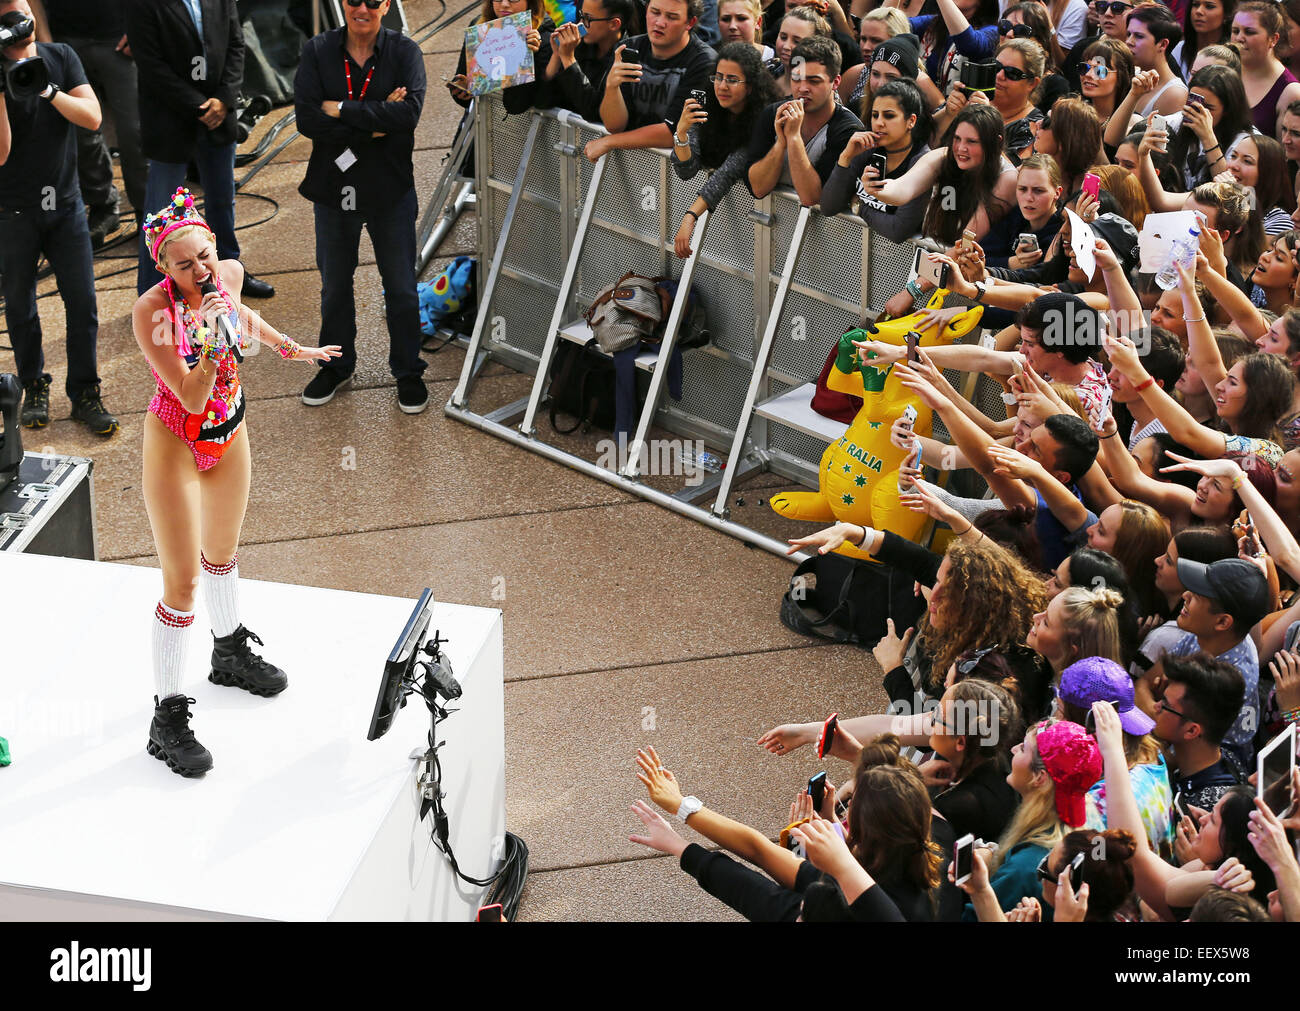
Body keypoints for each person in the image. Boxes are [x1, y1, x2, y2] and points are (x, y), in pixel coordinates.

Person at [132, 188, 341, 776]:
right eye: (184, 264)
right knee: (181, 582)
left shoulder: (224, 276)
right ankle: (166, 717)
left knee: (222, 552)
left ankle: (228, 652)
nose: (199, 270)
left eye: (204, 255)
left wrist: (291, 348)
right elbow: (193, 393)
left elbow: (241, 313)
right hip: (177, 433)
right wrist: (202, 341)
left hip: (230, 426)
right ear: (162, 268)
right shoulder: (152, 312)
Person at [630, 738, 943, 921]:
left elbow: (758, 895)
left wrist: (678, 844)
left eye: (848, 815)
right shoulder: (927, 874)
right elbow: (759, 850)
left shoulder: (831, 904)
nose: (840, 818)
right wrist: (681, 806)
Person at [293, 0, 430, 414]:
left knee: (402, 288)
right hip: (333, 190)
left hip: (390, 190)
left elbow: (408, 115)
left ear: (387, 5)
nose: (363, 8)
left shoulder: (405, 52)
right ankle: (335, 367)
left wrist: (343, 109)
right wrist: (374, 122)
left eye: (374, 0)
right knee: (335, 286)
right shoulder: (317, 50)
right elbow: (306, 119)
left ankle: (408, 371)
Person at [0, 0, 118, 436]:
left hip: (65, 206)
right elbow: (1, 153)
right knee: (19, 304)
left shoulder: (61, 57)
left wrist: (48, 89)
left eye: (24, 14)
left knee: (83, 303)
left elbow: (92, 118)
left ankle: (85, 391)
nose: (21, 25)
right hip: (12, 211)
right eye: (10, 21)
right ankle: (33, 384)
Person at [128, 0, 275, 299]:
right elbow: (151, 64)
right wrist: (198, 106)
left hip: (218, 117)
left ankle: (231, 274)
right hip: (170, 120)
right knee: (159, 215)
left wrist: (224, 98)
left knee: (223, 202)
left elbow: (236, 45)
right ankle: (153, 294)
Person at [29, 0, 146, 241]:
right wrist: (47, 44)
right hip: (65, 38)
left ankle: (148, 213)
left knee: (134, 132)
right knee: (81, 134)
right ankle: (103, 205)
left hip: (118, 37)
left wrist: (139, 26)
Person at [968, 718, 1103, 920]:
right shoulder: (1090, 827)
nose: (1013, 749)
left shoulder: (1025, 868)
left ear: (1039, 778)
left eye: (1023, 748)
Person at [671, 41, 778, 256]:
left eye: (732, 80)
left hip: (762, 232)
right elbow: (686, 170)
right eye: (718, 77)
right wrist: (681, 134)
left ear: (750, 86)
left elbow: (727, 173)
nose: (722, 86)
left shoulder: (763, 118)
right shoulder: (706, 104)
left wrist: (690, 215)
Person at [867, 102, 1017, 243]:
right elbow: (904, 188)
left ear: (996, 142)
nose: (961, 148)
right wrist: (877, 186)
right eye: (957, 139)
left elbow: (968, 241)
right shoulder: (944, 156)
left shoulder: (1008, 178)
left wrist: (931, 267)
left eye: (971, 141)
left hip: (977, 263)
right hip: (945, 253)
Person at [588, 0, 717, 158]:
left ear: (690, 23)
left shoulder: (705, 62)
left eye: (671, 17)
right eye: (655, 12)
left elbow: (674, 133)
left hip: (681, 172)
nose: (660, 23)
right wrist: (612, 88)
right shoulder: (628, 48)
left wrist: (610, 142)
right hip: (629, 163)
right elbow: (615, 126)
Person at [746, 35, 862, 207]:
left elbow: (811, 197)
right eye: (796, 79)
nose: (802, 88)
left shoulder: (848, 130)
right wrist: (780, 144)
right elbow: (758, 188)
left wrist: (793, 138)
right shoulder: (773, 114)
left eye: (814, 81)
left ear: (835, 82)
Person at [821, 77, 932, 241]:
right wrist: (845, 157)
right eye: (875, 115)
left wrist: (859, 205)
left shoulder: (921, 161)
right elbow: (828, 207)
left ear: (911, 121)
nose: (879, 123)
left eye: (889, 116)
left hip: (894, 263)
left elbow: (897, 230)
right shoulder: (867, 147)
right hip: (849, 254)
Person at [1156, 651, 1247, 810]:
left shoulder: (1206, 810)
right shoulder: (1224, 756)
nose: (1155, 707)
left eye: (1164, 705)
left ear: (1191, 730)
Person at [447, 0, 554, 114]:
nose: (504, 4)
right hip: (485, 121)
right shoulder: (479, 27)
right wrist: (462, 90)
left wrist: (528, 56)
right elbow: (465, 100)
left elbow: (517, 105)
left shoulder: (544, 37)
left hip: (525, 126)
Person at [543, 0, 633, 121]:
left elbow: (593, 112)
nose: (580, 24)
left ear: (614, 24)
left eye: (587, 18)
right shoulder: (578, 46)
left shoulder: (628, 60)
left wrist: (569, 60)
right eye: (580, 16)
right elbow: (542, 101)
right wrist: (557, 56)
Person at [1232, 1, 1300, 138]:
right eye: (1235, 31)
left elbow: (1286, 156)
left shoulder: (1290, 92)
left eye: (1249, 32)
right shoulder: (1226, 70)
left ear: (1273, 39)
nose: (1239, 38)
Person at [1173, 0, 1235, 79]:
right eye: (1195, 5)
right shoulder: (1177, 50)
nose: (1199, 11)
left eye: (1209, 6)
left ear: (1226, 14)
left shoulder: (1232, 57)